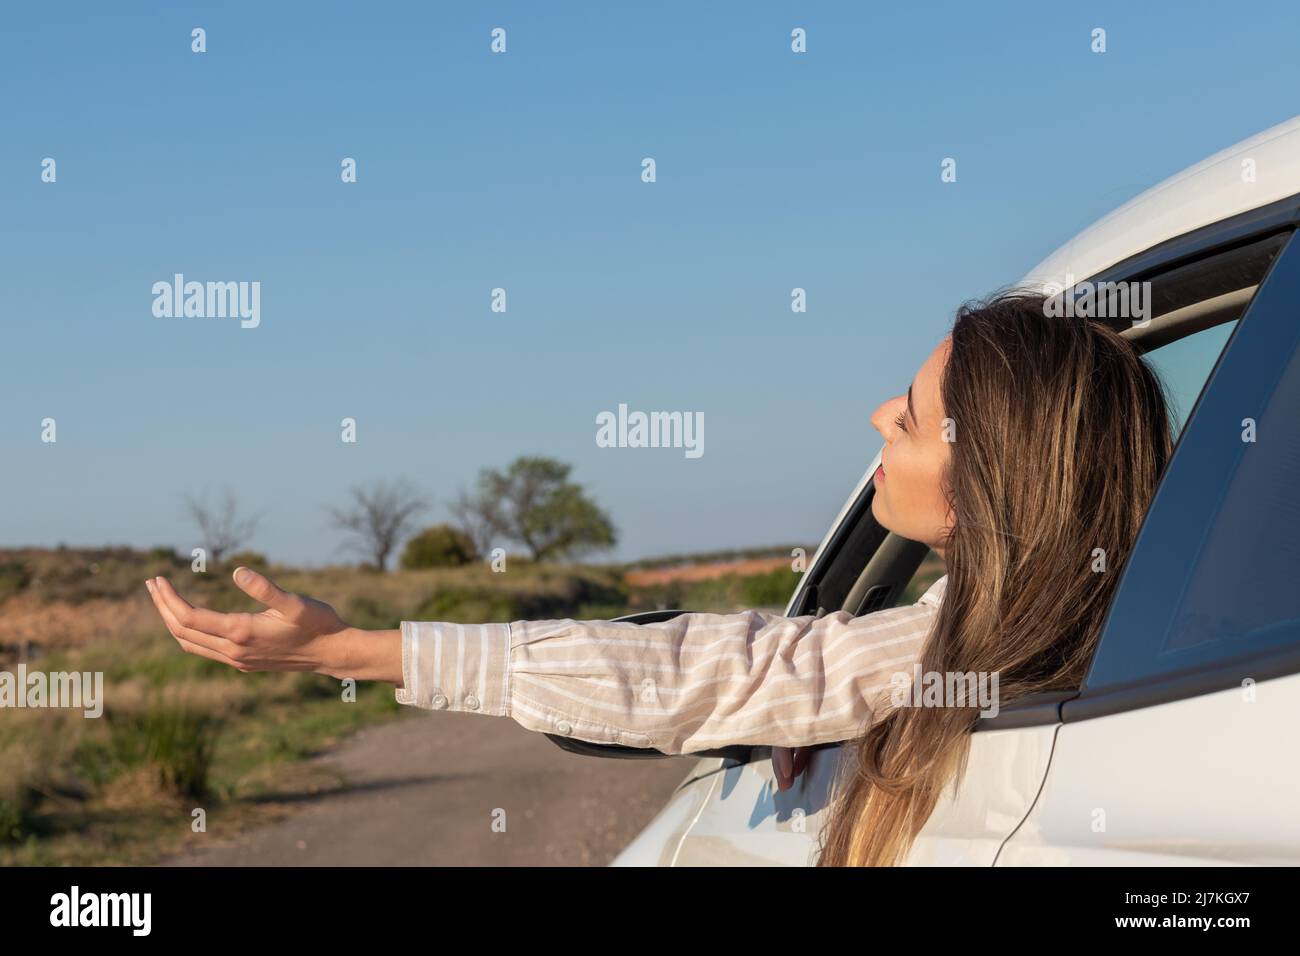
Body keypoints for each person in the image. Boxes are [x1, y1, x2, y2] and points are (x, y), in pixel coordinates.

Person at [144, 290, 1173, 866]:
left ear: (984, 482)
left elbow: (705, 671)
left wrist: (352, 649)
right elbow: (774, 673)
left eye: (905, 417)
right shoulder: (1102, 628)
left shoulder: (925, 656)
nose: (875, 419)